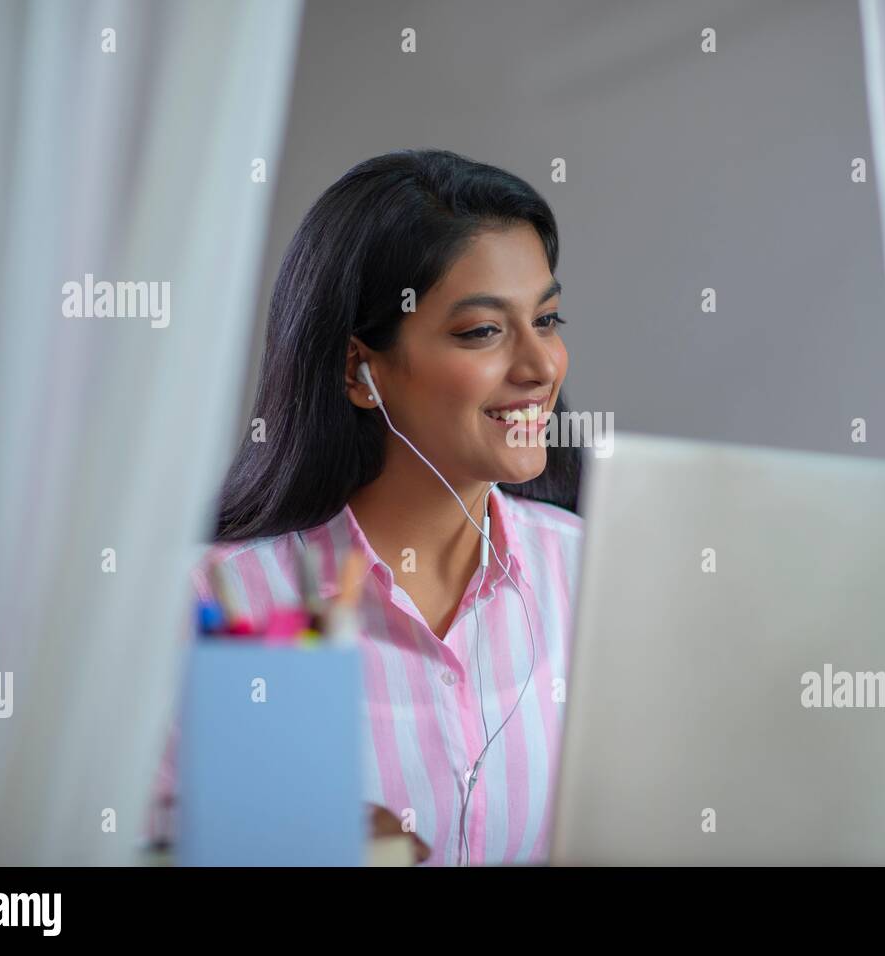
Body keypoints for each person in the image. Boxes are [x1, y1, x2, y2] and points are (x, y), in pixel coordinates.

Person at [148, 149, 584, 866]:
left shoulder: (593, 574)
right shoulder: (219, 603)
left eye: (548, 318)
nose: (541, 367)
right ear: (360, 371)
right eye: (483, 331)